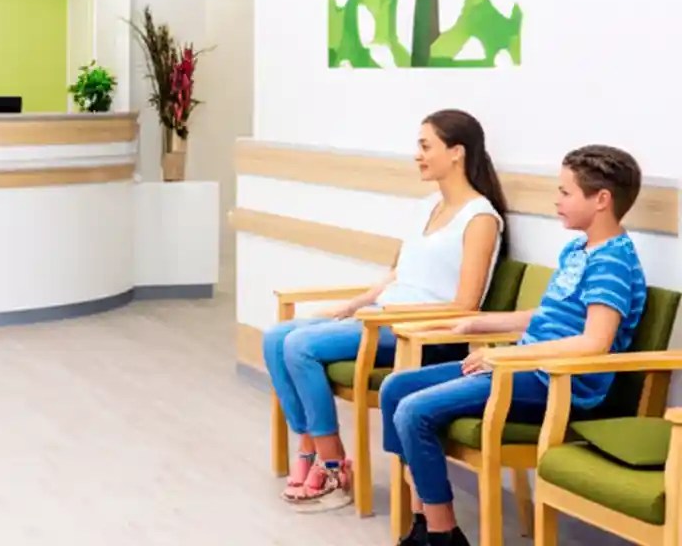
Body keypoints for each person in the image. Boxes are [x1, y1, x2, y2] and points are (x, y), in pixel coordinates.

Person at [380, 144, 646, 546]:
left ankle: (441, 535)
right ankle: (424, 519)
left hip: (555, 382)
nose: (556, 200)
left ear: (601, 200)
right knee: (395, 388)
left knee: (415, 410)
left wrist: (505, 355)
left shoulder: (613, 263)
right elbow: (547, 317)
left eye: (565, 192)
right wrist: (482, 323)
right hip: (522, 367)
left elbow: (594, 342)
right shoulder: (578, 250)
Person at [265, 109, 509, 512]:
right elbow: (399, 273)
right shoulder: (428, 206)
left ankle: (330, 466)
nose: (417, 154)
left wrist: (388, 317)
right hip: (384, 315)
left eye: (425, 145)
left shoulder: (481, 218)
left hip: (420, 332)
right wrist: (352, 305)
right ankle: (310, 448)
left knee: (299, 346)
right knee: (277, 336)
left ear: (457, 153)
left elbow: (466, 304)